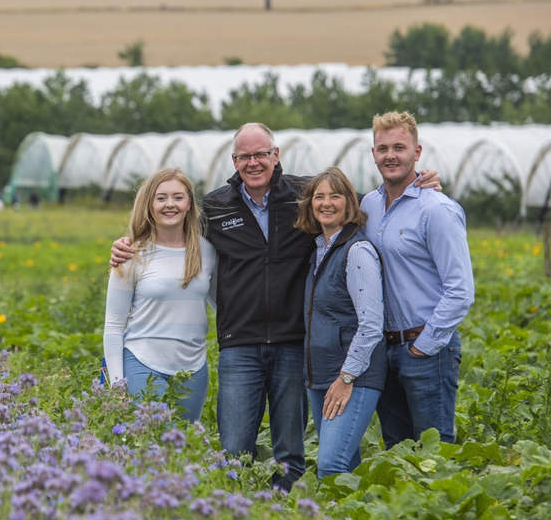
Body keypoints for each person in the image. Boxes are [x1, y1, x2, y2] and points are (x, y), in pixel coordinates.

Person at [111, 123, 441, 492]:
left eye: (261, 154)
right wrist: (129, 243)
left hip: (292, 343)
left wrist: (415, 183)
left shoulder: (305, 194)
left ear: (276, 155)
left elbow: (368, 202)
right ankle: (236, 512)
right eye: (245, 156)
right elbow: (172, 231)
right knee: (234, 448)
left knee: (290, 451)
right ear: (234, 161)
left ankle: (287, 516)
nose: (254, 163)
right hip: (239, 346)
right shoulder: (216, 207)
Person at [363, 111, 474, 448]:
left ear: (417, 151)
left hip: (426, 349)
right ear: (373, 154)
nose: (390, 156)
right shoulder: (367, 206)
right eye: (383, 148)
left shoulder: (437, 210)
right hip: (383, 351)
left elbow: (461, 291)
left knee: (435, 453)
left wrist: (422, 347)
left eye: (399, 147)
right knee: (397, 453)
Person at [103, 167, 217, 423]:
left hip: (193, 367)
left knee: (183, 445)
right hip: (143, 361)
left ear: (189, 203)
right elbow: (113, 326)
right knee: (151, 442)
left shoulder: (206, 251)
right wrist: (117, 384)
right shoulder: (131, 253)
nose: (170, 205)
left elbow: (222, 305)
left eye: (178, 197)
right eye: (161, 198)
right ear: (149, 204)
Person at [295, 168, 385, 479]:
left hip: (352, 377)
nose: (326, 203)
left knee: (330, 465)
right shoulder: (320, 251)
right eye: (319, 196)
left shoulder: (357, 251)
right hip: (322, 376)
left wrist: (346, 378)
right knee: (347, 468)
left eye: (336, 195)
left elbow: (371, 323)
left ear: (350, 203)